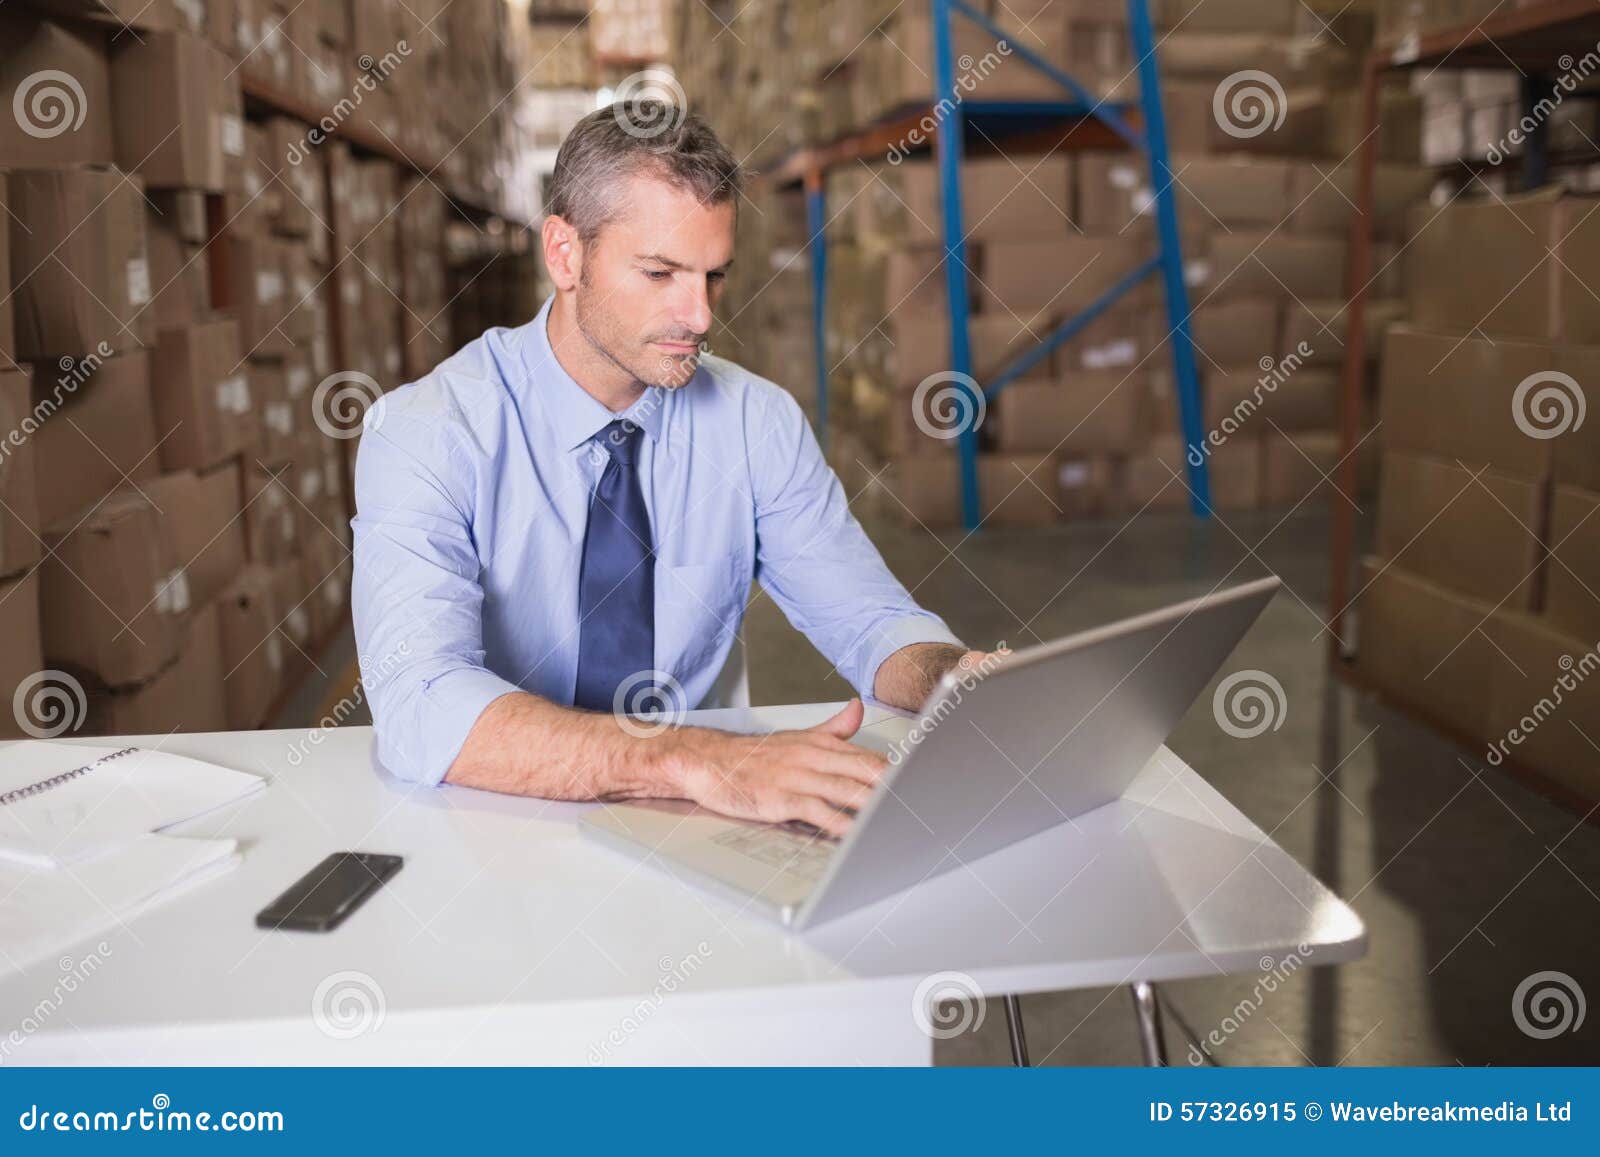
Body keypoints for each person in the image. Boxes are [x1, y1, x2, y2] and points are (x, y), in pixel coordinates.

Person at [351, 101, 991, 837]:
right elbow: (421, 699)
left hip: (698, 822)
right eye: (660, 272)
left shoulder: (758, 422)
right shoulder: (426, 433)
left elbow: (869, 620)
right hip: (496, 816)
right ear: (565, 254)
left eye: (714, 276)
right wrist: (700, 762)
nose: (700, 316)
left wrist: (954, 676)